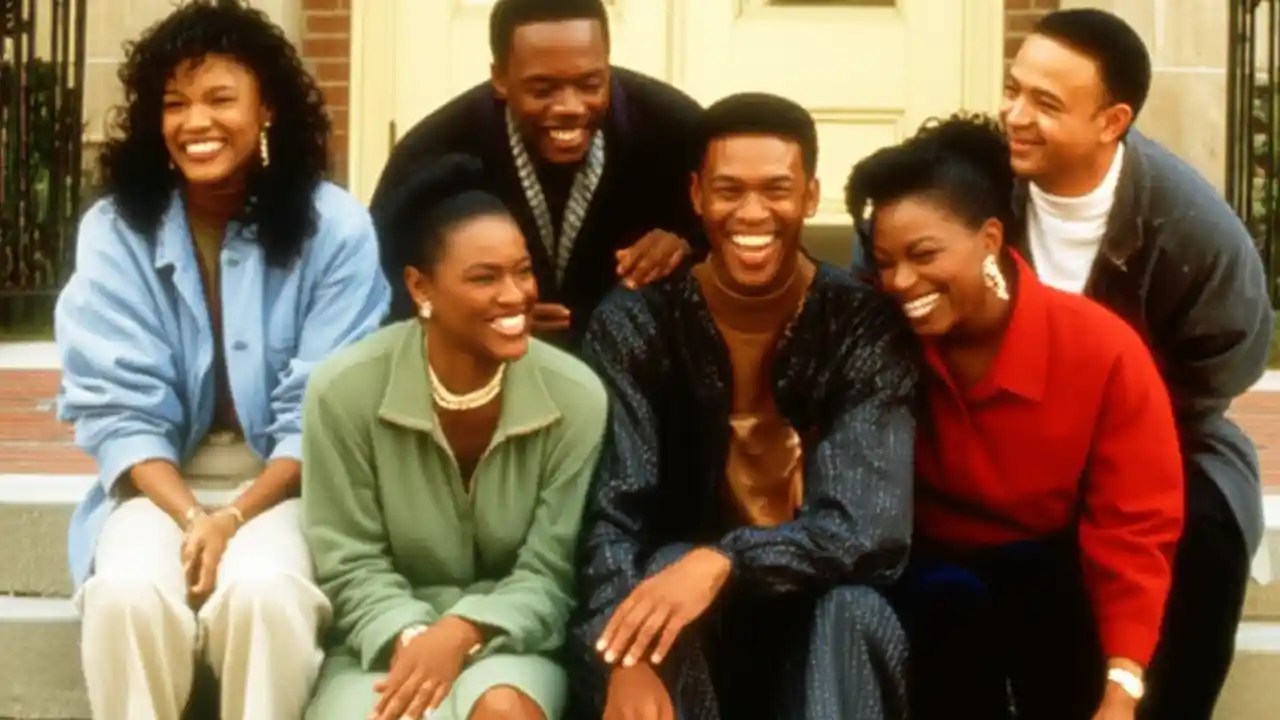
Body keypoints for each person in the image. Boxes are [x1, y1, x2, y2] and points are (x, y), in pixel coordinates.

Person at [53, 2, 390, 718]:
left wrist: (232, 518)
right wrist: (192, 517)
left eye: (219, 98)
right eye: (174, 104)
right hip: (154, 484)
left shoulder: (335, 228)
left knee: (266, 597)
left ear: (266, 107)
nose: (194, 122)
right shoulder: (116, 231)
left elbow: (328, 409)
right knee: (125, 596)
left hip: (291, 483)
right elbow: (121, 407)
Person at [568, 93, 917, 720]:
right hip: (682, 626)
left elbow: (870, 530)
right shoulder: (637, 320)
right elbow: (612, 513)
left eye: (776, 190)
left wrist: (727, 559)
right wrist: (626, 655)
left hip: (817, 616)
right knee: (661, 583)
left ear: (810, 196)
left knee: (853, 608)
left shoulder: (860, 324)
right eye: (729, 190)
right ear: (697, 195)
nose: (752, 212)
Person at [848, 113, 1184, 720]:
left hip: (1045, 569)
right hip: (922, 570)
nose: (900, 282)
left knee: (1049, 596)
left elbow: (1134, 530)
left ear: (991, 239)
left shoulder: (1098, 349)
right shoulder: (873, 336)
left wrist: (1122, 686)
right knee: (951, 604)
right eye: (884, 261)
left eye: (924, 255)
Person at [1001, 10, 1275, 718]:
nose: (1015, 116)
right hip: (993, 433)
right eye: (1013, 89)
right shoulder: (975, 186)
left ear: (1112, 120)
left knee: (1204, 531)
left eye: (1046, 104)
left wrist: (1104, 446)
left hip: (1163, 439)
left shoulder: (1191, 226)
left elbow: (1226, 363)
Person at [302, 154, 608, 720]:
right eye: (484, 278)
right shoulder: (344, 390)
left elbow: (552, 568)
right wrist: (414, 638)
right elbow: (348, 559)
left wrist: (463, 631)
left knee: (502, 713)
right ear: (421, 287)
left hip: (513, 640)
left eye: (522, 271)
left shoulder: (575, 396)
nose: (515, 296)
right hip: (379, 640)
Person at [370, 0, 705, 347]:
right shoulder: (436, 152)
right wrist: (479, 316)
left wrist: (686, 247)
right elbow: (383, 292)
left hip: (637, 370)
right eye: (542, 90)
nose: (570, 108)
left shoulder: (673, 130)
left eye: (590, 84)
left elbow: (734, 248)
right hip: (485, 370)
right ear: (500, 78)